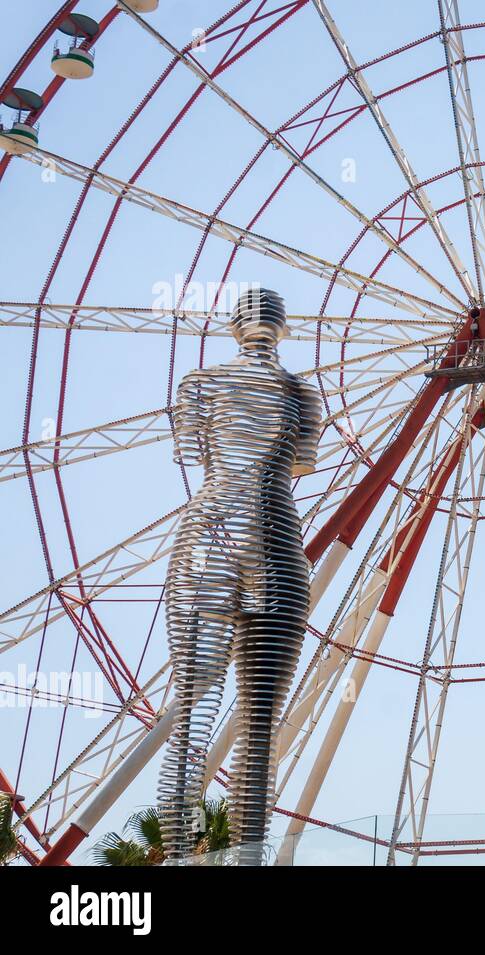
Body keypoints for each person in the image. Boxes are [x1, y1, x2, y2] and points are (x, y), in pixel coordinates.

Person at [159, 287, 320, 864]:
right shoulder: (303, 392)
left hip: (209, 535)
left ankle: (181, 856)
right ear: (284, 327)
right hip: (276, 540)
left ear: (233, 326)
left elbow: (189, 451)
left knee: (193, 710)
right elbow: (302, 463)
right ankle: (237, 857)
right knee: (257, 724)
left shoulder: (199, 385)